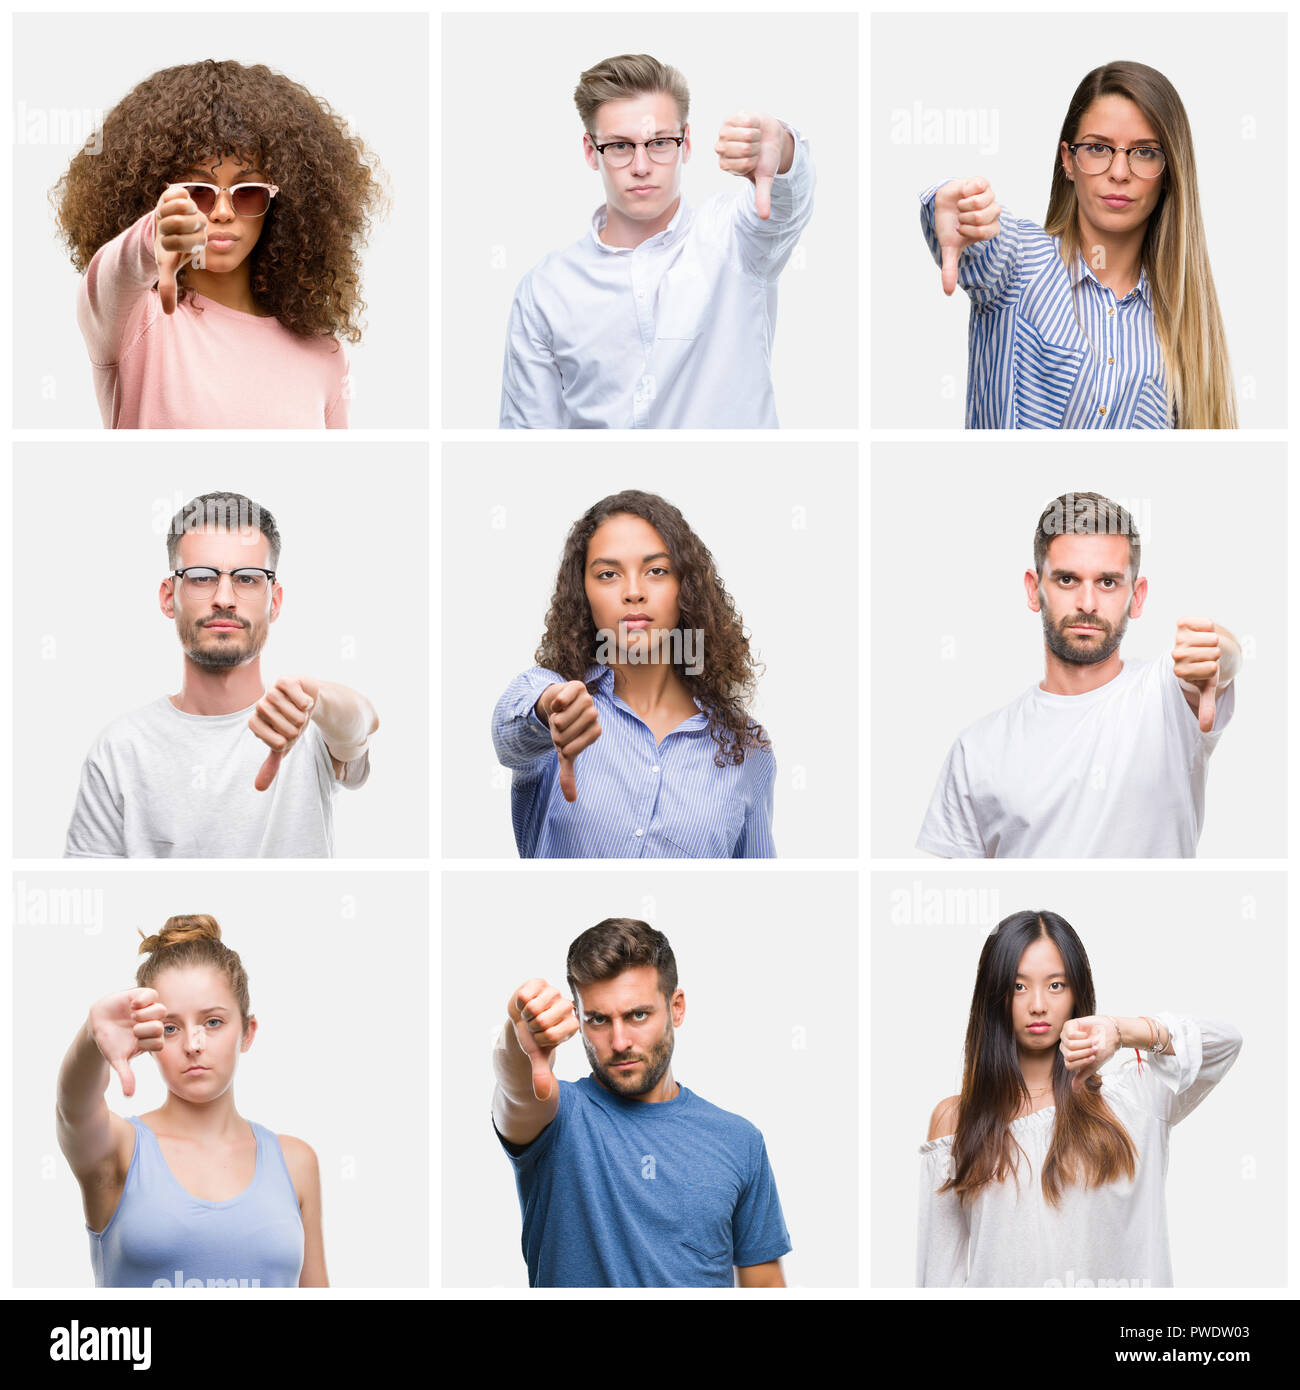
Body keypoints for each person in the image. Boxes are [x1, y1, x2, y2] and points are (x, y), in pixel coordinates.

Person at [53, 59, 386, 428]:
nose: (223, 212)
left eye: (248, 193)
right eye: (198, 193)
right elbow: (104, 282)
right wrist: (153, 236)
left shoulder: (324, 356)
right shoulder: (137, 323)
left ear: (283, 202)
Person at [918, 910, 1241, 1287]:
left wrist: (1122, 1031)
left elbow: (1225, 1043)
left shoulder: (1134, 1097)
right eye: (1019, 986)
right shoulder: (957, 1118)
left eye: (1056, 985)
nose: (1038, 1004)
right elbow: (939, 1279)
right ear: (995, 996)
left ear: (1076, 992)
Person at [500, 52, 814, 428]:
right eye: (619, 146)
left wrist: (783, 151)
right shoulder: (545, 291)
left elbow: (784, 206)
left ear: (686, 143)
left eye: (660, 142)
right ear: (590, 151)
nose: (642, 165)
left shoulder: (734, 240)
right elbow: (529, 437)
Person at [917, 491, 1238, 858]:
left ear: (1137, 596)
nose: (1087, 604)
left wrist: (1217, 653)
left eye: (1107, 582)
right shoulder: (976, 749)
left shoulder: (1166, 694)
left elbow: (1222, 658)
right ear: (1033, 589)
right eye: (1067, 580)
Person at [920, 61, 1236, 429]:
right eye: (1099, 148)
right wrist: (956, 209)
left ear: (1169, 173)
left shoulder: (1183, 321)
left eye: (1145, 152)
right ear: (1068, 161)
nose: (1119, 172)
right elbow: (985, 240)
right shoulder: (1019, 260)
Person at [64, 491, 378, 858]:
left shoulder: (310, 726)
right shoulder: (119, 749)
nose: (224, 597)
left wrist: (317, 700)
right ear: (169, 597)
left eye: (247, 578)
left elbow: (362, 724)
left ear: (274, 601)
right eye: (201, 577)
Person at [493, 918, 790, 1287]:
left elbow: (765, 1286)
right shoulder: (558, 1119)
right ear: (577, 1018)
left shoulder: (739, 1140)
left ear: (676, 1007)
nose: (619, 1042)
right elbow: (516, 1089)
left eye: (638, 1015)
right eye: (599, 1019)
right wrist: (520, 1036)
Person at [491, 489, 775, 858]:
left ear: (685, 586)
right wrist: (550, 712)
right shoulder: (555, 699)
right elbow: (510, 729)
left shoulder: (747, 751)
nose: (634, 592)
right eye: (608, 574)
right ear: (584, 592)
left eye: (656, 571)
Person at [56, 915, 327, 1288]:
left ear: (247, 1033)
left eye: (213, 1022)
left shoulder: (296, 1162)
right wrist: (92, 1039)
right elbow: (73, 1110)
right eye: (170, 1027)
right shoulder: (121, 1150)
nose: (193, 1044)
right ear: (146, 1039)